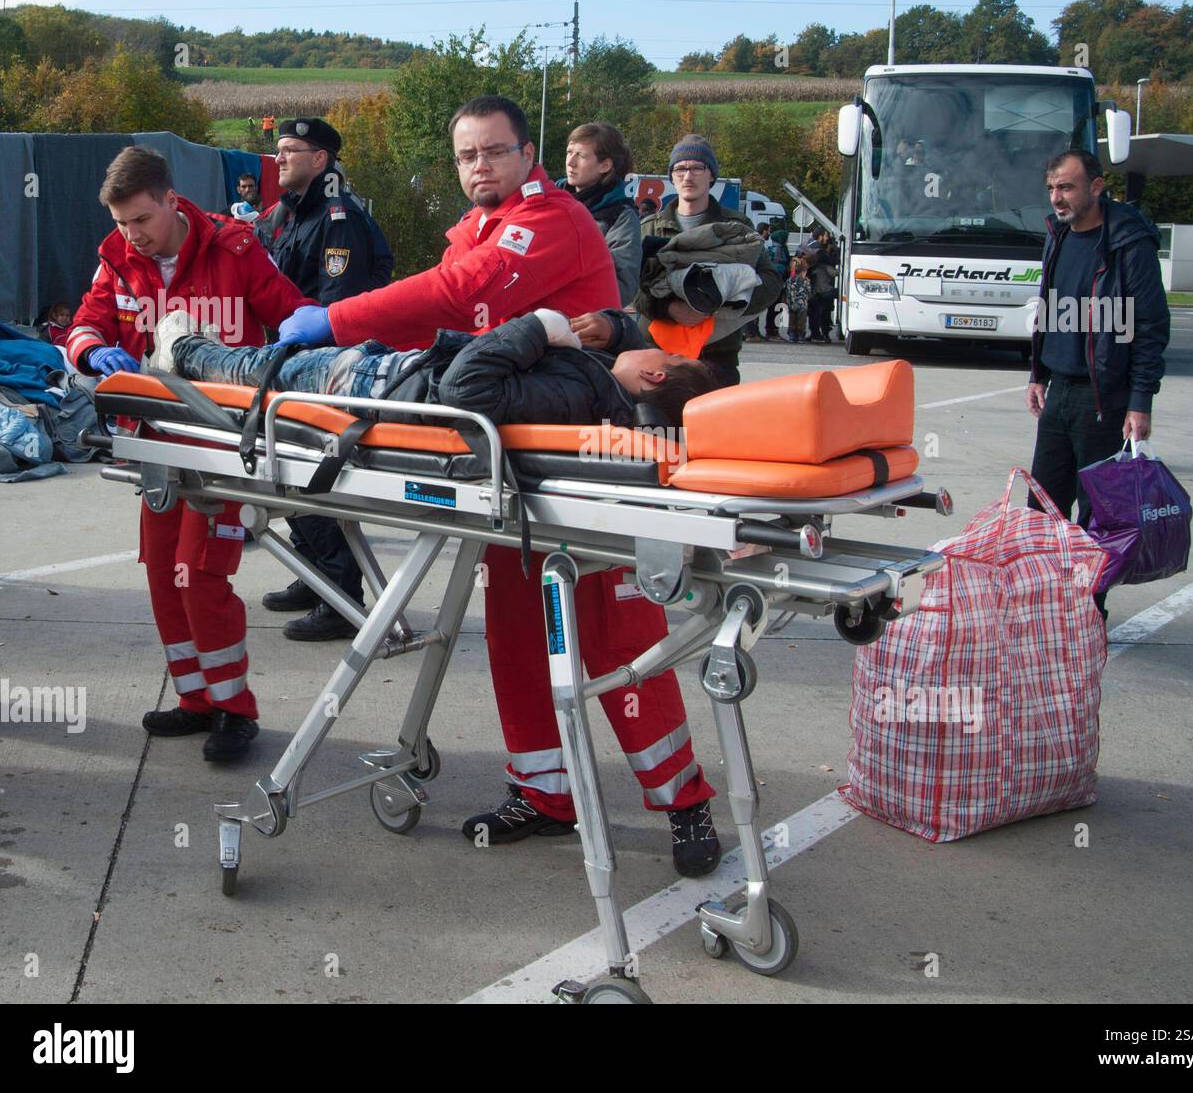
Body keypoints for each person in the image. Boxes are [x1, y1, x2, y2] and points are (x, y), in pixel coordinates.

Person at [275, 95, 725, 877]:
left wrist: (337, 319)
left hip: (588, 464)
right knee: (519, 639)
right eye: (465, 156)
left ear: (527, 155)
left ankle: (683, 800)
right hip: (513, 467)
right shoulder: (478, 229)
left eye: (492, 152)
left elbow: (461, 295)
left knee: (618, 645)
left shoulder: (547, 221)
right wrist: (358, 333)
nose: (478, 167)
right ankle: (544, 794)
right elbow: (445, 317)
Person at [65, 146, 311, 760]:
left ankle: (235, 710)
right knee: (162, 575)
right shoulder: (116, 258)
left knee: (200, 576)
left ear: (172, 201)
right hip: (152, 444)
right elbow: (82, 327)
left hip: (220, 446)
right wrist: (96, 354)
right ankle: (196, 698)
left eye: (142, 220)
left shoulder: (235, 249)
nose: (133, 236)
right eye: (122, 223)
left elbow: (293, 316)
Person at [262, 117, 396, 643]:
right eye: (278, 150)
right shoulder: (285, 214)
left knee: (311, 478)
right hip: (286, 362)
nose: (279, 159)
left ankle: (340, 598)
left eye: (291, 150)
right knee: (288, 473)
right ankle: (313, 576)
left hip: (323, 368)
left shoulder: (339, 217)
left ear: (321, 160)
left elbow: (335, 306)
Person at [155, 306, 721, 428]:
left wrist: (534, 327)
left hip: (374, 383)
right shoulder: (595, 389)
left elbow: (467, 391)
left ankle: (178, 351)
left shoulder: (580, 391)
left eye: (662, 352)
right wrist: (611, 330)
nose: (653, 344)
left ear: (655, 376)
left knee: (259, 366)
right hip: (396, 375)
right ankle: (189, 352)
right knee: (264, 365)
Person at [1028, 148, 1170, 620]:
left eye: (1066, 187)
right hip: (1059, 392)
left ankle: (1089, 615)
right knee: (1041, 508)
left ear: (1096, 186)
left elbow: (1148, 325)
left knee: (1096, 515)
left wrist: (1140, 400)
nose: (1057, 198)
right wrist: (1038, 373)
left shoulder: (1128, 242)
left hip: (1103, 398)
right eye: (1051, 188)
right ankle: (1045, 608)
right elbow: (1048, 310)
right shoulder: (1058, 236)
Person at [634, 134, 782, 385]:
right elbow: (629, 286)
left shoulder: (736, 227)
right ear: (671, 176)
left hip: (715, 359)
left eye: (697, 168)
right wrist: (668, 309)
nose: (688, 176)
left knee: (710, 426)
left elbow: (770, 283)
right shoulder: (648, 229)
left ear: (712, 175)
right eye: (680, 168)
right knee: (654, 426)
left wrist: (717, 303)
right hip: (656, 355)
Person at [556, 122, 641, 307]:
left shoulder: (621, 216)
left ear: (605, 165)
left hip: (578, 323)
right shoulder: (546, 200)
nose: (570, 162)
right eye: (569, 152)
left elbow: (622, 286)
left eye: (581, 155)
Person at [804, 228, 837, 343]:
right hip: (819, 286)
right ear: (820, 236)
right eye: (826, 236)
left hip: (808, 283)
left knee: (812, 310)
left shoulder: (806, 245)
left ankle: (814, 333)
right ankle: (820, 334)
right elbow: (833, 261)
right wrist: (831, 250)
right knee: (821, 310)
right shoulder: (819, 250)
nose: (827, 238)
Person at [784, 253, 812, 342]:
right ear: (803, 272)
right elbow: (809, 291)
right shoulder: (805, 281)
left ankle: (792, 334)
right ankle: (801, 334)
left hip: (791, 303)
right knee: (801, 320)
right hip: (802, 304)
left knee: (792, 318)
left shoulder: (789, 280)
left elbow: (787, 291)